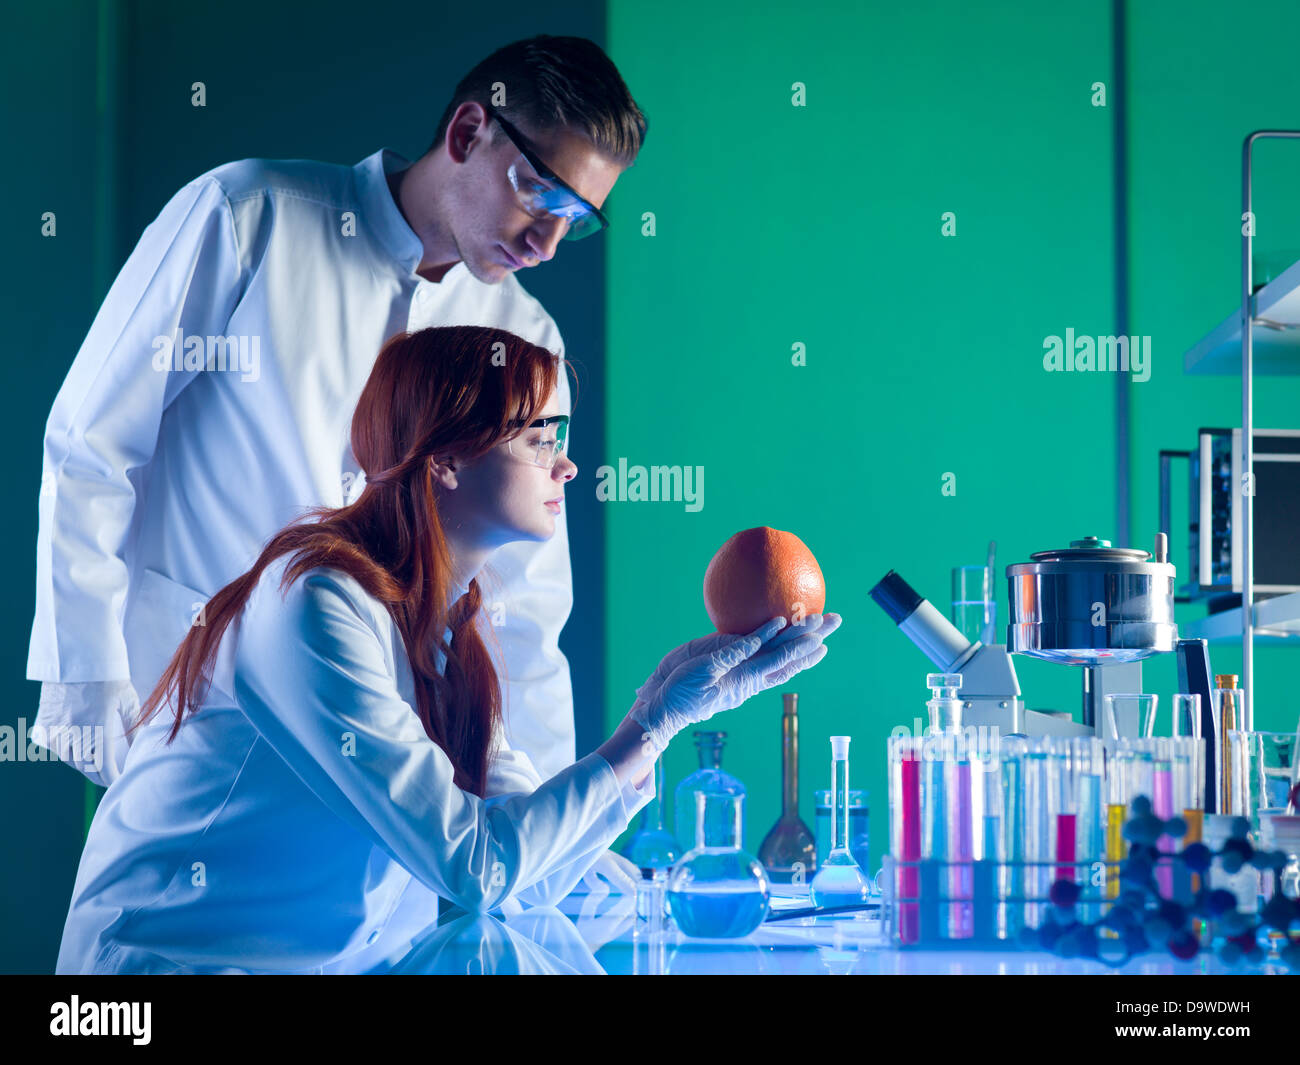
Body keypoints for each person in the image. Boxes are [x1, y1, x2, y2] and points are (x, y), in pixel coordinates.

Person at [55, 327, 841, 974]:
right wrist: (652, 726)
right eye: (539, 437)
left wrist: (658, 706)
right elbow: (477, 866)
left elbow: (526, 877)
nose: (567, 464)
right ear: (445, 459)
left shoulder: (450, 630)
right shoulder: (316, 603)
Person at [27, 36, 642, 819]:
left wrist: (556, 824)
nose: (546, 244)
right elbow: (93, 443)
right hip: (185, 723)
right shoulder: (247, 216)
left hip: (380, 776)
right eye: (537, 194)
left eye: (576, 220)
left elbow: (523, 599)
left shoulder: (525, 337)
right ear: (465, 133)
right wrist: (91, 705)